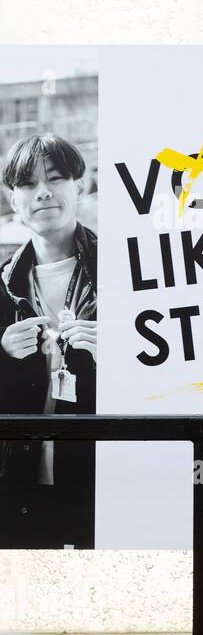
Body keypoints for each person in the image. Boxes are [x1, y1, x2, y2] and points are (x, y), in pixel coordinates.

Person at [0, 133, 98, 548]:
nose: (42, 193)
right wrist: (2, 354)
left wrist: (124, 357)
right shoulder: (3, 284)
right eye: (26, 184)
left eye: (55, 178)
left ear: (80, 185)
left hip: (99, 474)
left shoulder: (127, 274)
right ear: (11, 198)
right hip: (16, 480)